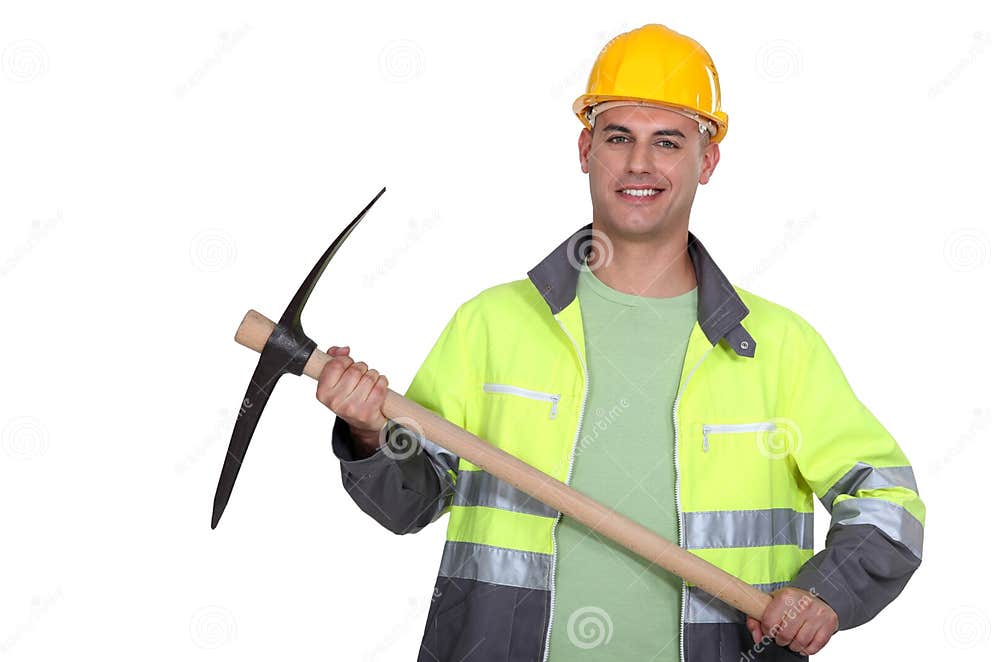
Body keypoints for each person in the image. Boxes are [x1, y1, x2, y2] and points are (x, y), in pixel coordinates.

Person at [315, 23, 925, 662]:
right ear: (585, 150)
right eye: (618, 138)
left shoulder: (775, 346)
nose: (640, 164)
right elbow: (410, 502)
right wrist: (367, 433)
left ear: (706, 160)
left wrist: (827, 591)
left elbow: (889, 501)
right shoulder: (491, 325)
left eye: (668, 141)